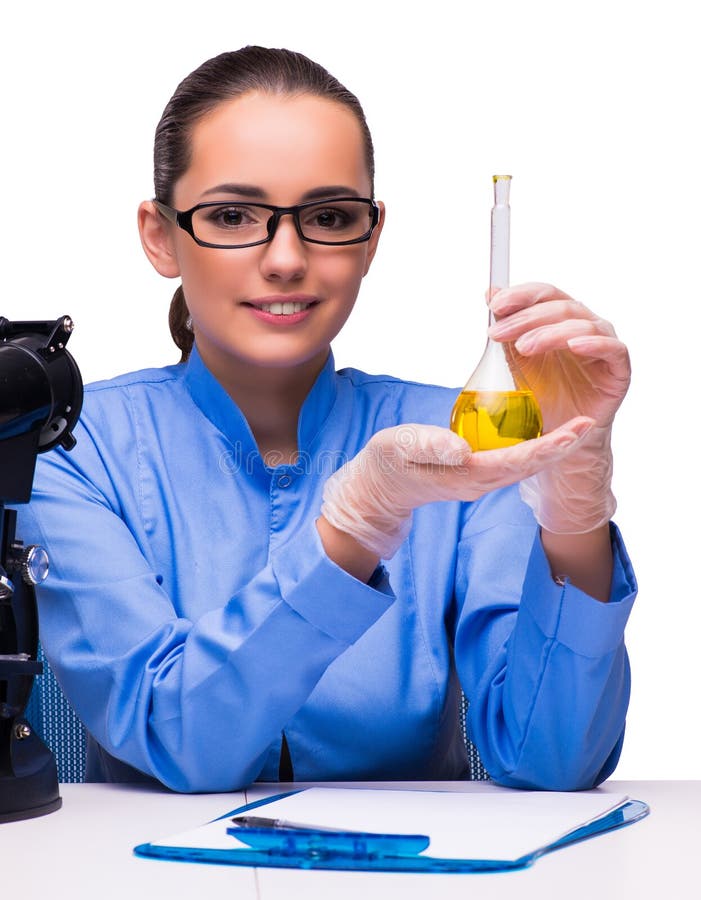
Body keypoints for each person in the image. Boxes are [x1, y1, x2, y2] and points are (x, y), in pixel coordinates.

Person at [18, 46, 635, 793]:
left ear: (371, 237)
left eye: (329, 217)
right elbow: (176, 740)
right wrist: (352, 535)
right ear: (160, 235)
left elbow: (552, 760)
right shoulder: (69, 445)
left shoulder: (464, 437)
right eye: (233, 215)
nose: (286, 259)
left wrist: (572, 505)